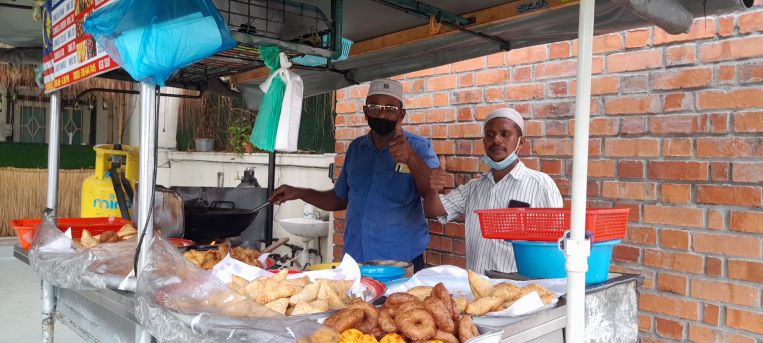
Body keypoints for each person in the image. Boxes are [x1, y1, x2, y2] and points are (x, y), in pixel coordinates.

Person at [268, 79, 439, 271]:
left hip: (401, 262)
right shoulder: (356, 149)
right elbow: (338, 200)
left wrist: (411, 158)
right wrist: (298, 192)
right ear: (366, 112)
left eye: (390, 108)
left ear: (402, 114)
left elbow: (431, 194)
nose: (382, 114)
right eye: (375, 107)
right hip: (356, 260)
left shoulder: (419, 147)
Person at [423, 108, 563, 274]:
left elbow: (557, 246)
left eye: (505, 134)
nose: (496, 140)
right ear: (484, 142)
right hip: (477, 290)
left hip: (517, 290)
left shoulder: (541, 185)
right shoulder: (474, 188)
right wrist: (433, 190)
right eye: (490, 135)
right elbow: (433, 211)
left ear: (521, 142)